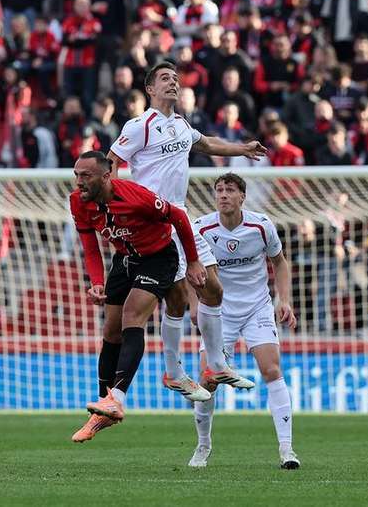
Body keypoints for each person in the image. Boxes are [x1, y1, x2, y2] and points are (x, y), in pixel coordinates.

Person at [106, 63, 265, 407]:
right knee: (178, 295)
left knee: (211, 290)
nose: (173, 82)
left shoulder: (180, 125)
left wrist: (242, 149)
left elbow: (206, 143)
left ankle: (214, 364)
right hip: (154, 220)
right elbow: (111, 162)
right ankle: (176, 371)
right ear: (149, 89)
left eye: (176, 78)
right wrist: (119, 206)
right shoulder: (139, 126)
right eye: (165, 78)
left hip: (181, 215)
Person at [69, 150, 206, 440]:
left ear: (107, 176)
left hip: (158, 257)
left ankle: (117, 397)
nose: (79, 182)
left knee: (133, 315)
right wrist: (96, 281)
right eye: (77, 175)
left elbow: (178, 217)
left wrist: (192, 260)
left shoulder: (135, 196)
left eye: (86, 176)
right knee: (111, 332)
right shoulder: (77, 202)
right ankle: (102, 410)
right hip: (124, 259)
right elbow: (90, 247)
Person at [187, 173, 299, 470]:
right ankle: (203, 446)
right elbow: (188, 267)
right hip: (218, 310)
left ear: (242, 197)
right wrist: (194, 302)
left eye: (230, 190)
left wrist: (283, 299)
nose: (223, 195)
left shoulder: (261, 225)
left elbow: (280, 262)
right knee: (207, 380)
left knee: (271, 369)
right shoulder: (201, 228)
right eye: (219, 190)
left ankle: (287, 450)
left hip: (257, 307)